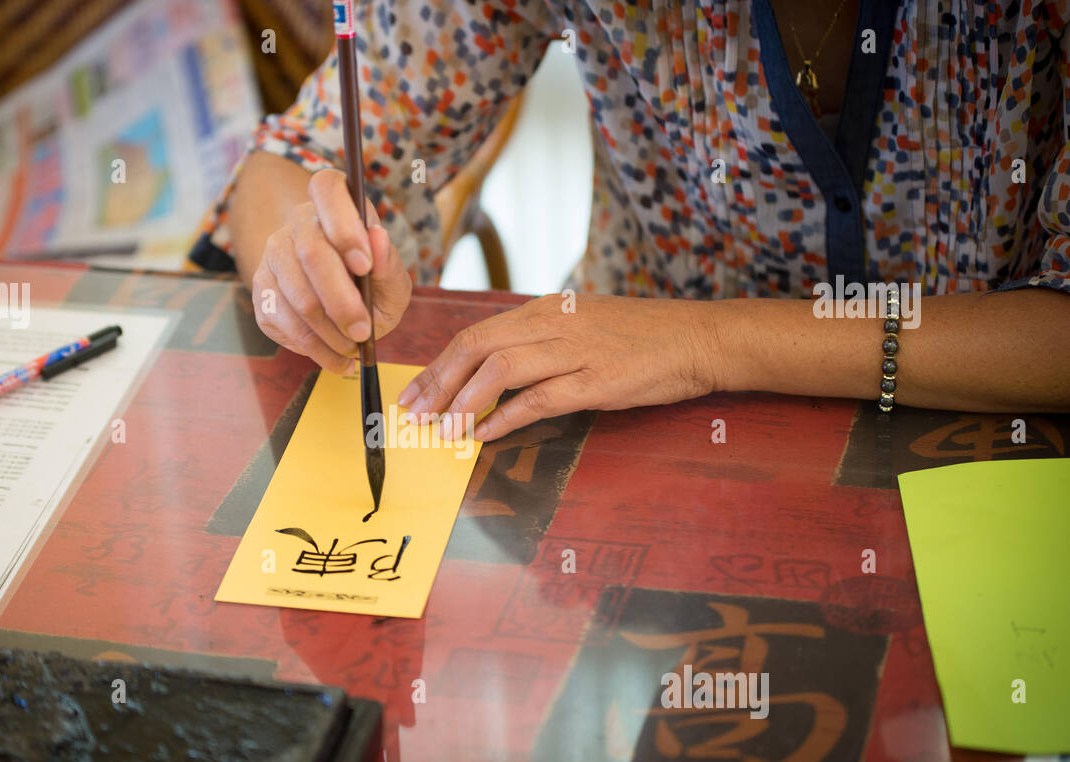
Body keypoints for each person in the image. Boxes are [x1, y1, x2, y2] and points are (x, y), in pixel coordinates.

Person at [190, 0, 1070, 441]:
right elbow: (292, 160)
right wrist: (298, 254)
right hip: (628, 424)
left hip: (988, 441)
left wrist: (706, 344)